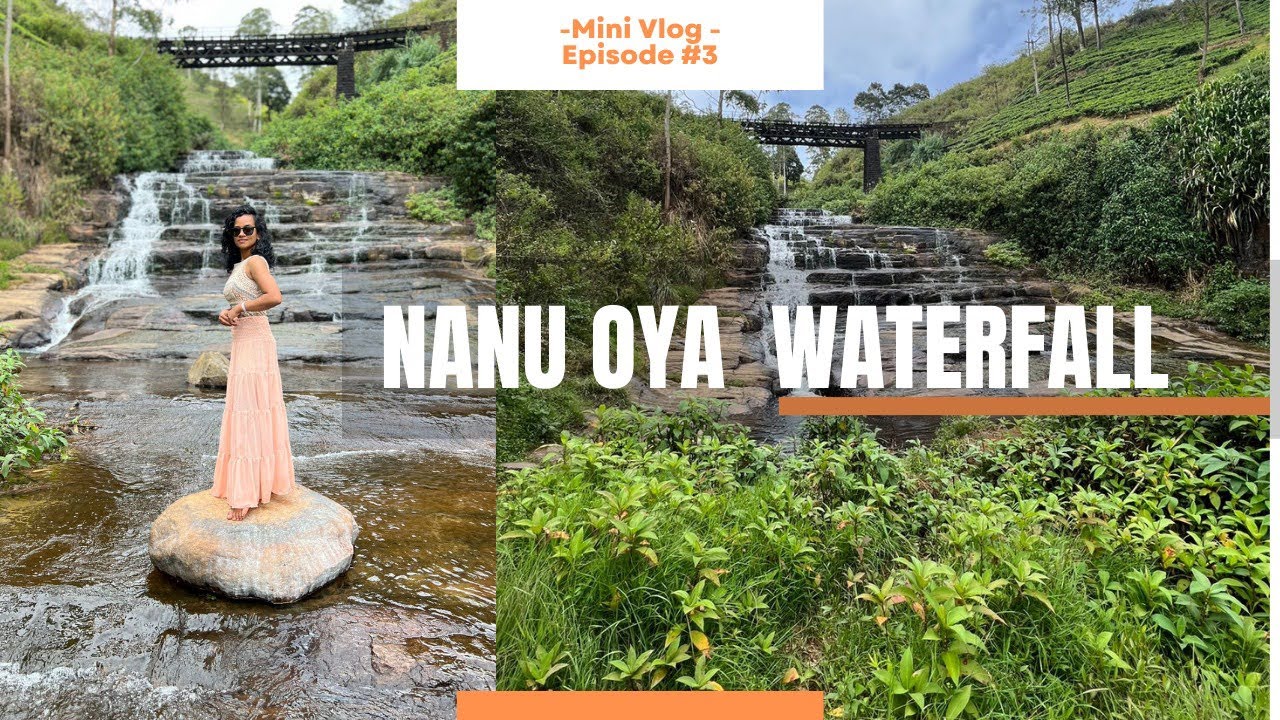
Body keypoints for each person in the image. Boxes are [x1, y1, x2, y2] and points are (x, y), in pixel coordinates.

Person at [210, 206, 296, 521]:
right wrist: (228, 313)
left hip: (256, 341)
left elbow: (275, 296)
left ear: (258, 233)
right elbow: (241, 307)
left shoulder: (257, 262)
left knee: (251, 410)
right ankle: (258, 484)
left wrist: (240, 307)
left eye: (248, 229)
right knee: (247, 409)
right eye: (237, 230)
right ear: (230, 236)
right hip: (244, 340)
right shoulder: (239, 265)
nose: (243, 234)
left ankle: (246, 495)